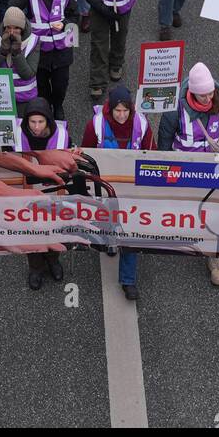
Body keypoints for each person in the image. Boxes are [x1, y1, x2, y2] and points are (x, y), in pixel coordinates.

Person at [157, 63, 219, 287]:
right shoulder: (174, 107)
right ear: (192, 92)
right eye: (203, 95)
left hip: (215, 169)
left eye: (211, 93)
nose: (208, 99)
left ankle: (213, 259)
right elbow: (164, 142)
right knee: (186, 208)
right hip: (185, 169)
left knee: (215, 212)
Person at [80, 87, 154, 299]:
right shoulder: (95, 125)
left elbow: (152, 151)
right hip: (106, 187)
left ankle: (128, 281)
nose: (121, 115)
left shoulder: (142, 124)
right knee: (109, 223)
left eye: (125, 111)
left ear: (131, 109)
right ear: (110, 109)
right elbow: (87, 154)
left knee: (131, 230)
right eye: (117, 111)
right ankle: (110, 241)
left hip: (132, 187)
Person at [16, 97, 71, 290]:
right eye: (32, 122)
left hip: (54, 192)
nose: (36, 127)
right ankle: (36, 268)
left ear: (48, 120)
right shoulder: (17, 135)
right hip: (28, 193)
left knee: (55, 229)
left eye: (40, 121)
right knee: (32, 232)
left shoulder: (62, 136)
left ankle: (53, 259)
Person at [15, 0, 77, 119]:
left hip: (63, 48)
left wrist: (65, 24)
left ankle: (58, 106)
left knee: (60, 85)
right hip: (39, 50)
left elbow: (75, 15)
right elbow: (13, 8)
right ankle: (46, 108)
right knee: (41, 86)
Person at [0, 6, 40, 106]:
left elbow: (28, 74)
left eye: (16, 28)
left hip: (24, 98)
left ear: (22, 28)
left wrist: (17, 53)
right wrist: (2, 52)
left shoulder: (33, 40)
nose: (12, 32)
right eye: (8, 27)